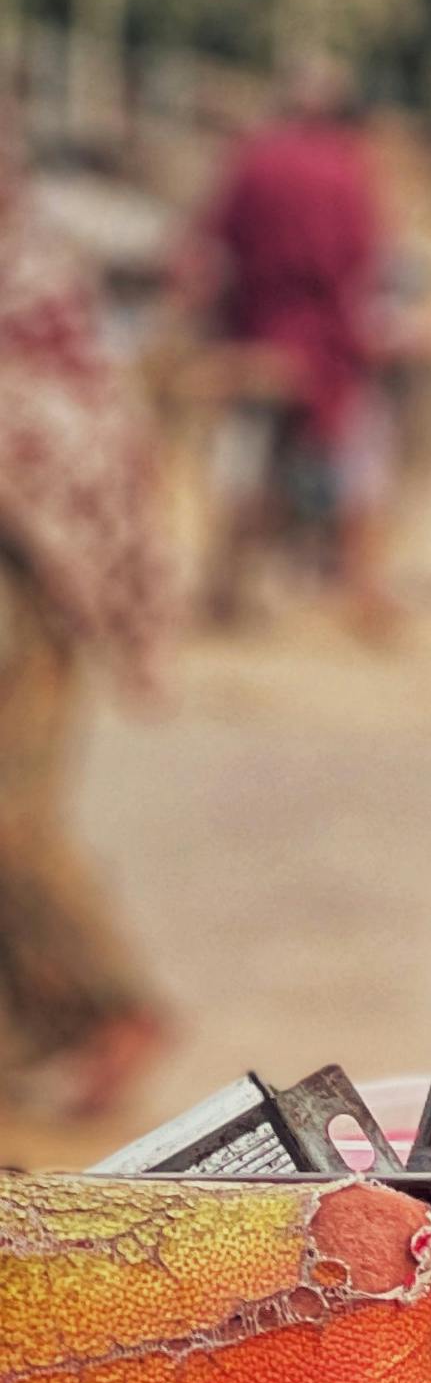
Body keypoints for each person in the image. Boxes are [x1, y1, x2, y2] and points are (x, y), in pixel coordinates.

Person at [0, 122, 169, 1123]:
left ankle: (114, 1011)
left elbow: (60, 454)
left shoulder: (25, 274)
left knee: (12, 820)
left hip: (30, 587)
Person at [183, 55, 394, 636]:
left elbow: (211, 241)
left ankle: (222, 584)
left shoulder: (252, 158)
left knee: (241, 464)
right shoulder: (348, 168)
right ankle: (361, 588)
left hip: (254, 333)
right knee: (366, 453)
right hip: (323, 346)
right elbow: (363, 259)